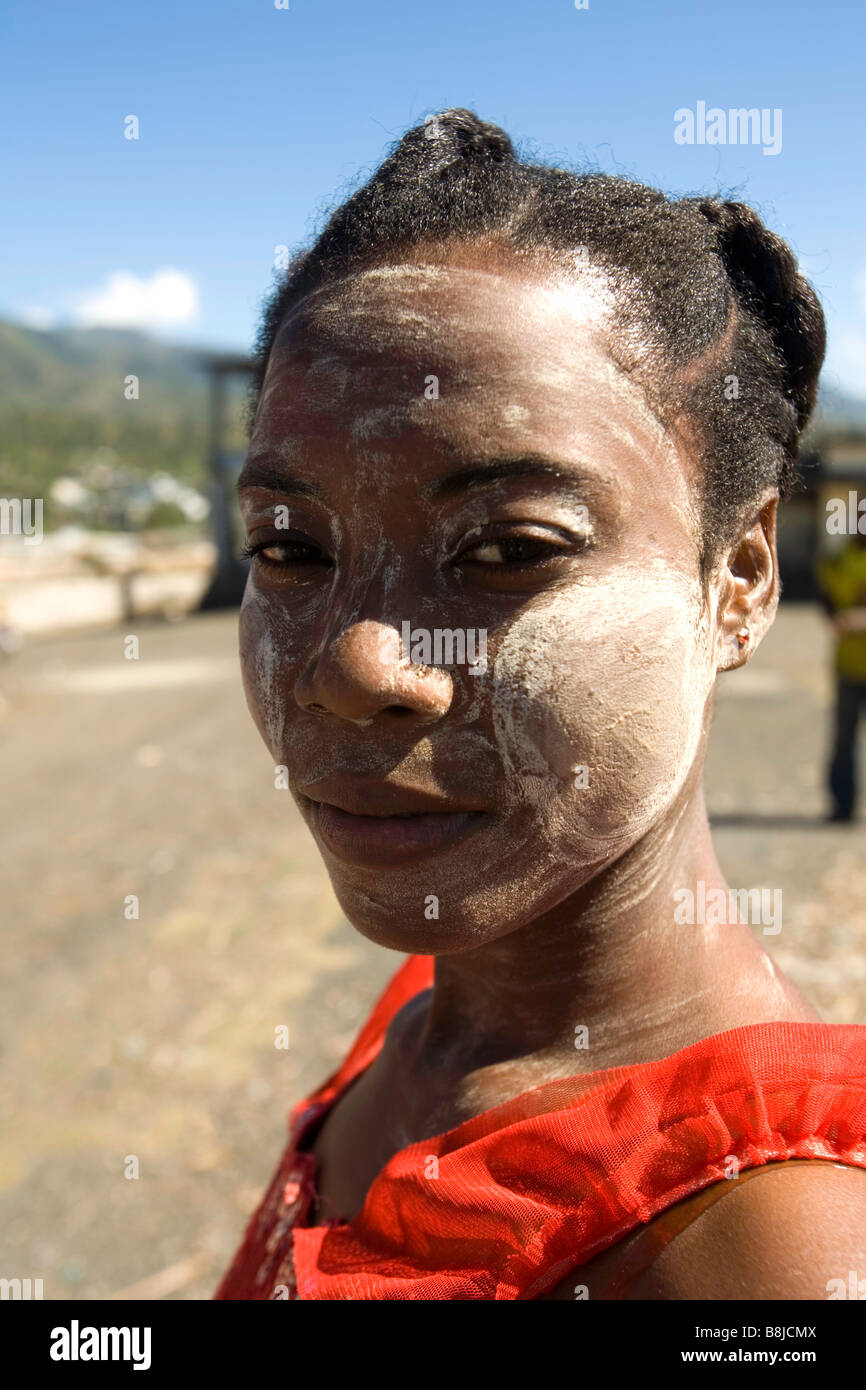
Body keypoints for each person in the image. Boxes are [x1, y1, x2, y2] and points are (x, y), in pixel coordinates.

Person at [215, 110, 866, 1300]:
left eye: (510, 548)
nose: (353, 668)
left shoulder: (765, 1253)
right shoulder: (421, 1010)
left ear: (740, 576)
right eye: (291, 545)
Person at [817, 530, 866, 821]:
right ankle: (842, 804)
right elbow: (826, 598)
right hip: (848, 665)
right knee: (844, 739)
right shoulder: (838, 559)